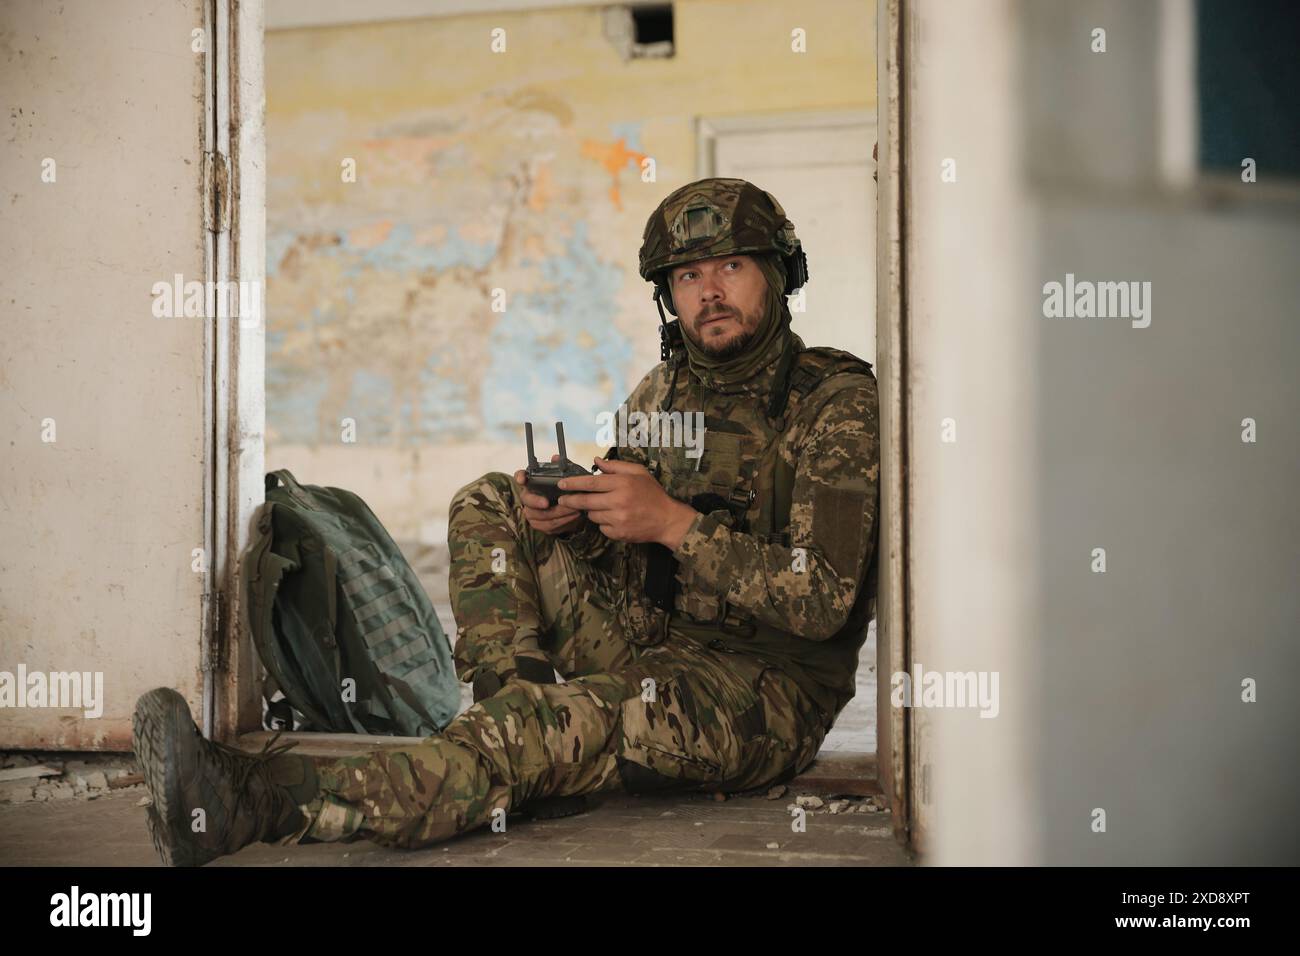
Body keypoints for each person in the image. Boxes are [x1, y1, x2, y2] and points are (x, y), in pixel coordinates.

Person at [131, 177, 880, 866]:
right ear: (668, 296)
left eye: (731, 268)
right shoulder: (660, 395)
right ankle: (513, 735)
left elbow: (821, 604)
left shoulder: (834, 405)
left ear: (779, 275)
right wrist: (578, 525)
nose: (708, 293)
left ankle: (253, 802)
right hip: (655, 641)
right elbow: (631, 558)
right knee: (491, 499)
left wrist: (675, 523)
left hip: (762, 692)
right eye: (687, 276)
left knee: (549, 728)